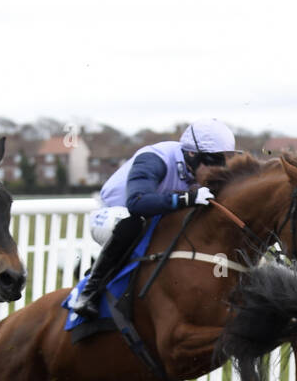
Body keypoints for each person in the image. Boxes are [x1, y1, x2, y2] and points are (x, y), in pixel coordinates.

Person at [70, 118, 238, 320]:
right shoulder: (154, 158)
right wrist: (188, 198)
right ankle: (89, 291)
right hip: (113, 215)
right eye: (214, 161)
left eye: (224, 161)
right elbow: (137, 203)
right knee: (133, 222)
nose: (219, 169)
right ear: (191, 154)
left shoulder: (197, 165)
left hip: (155, 220)